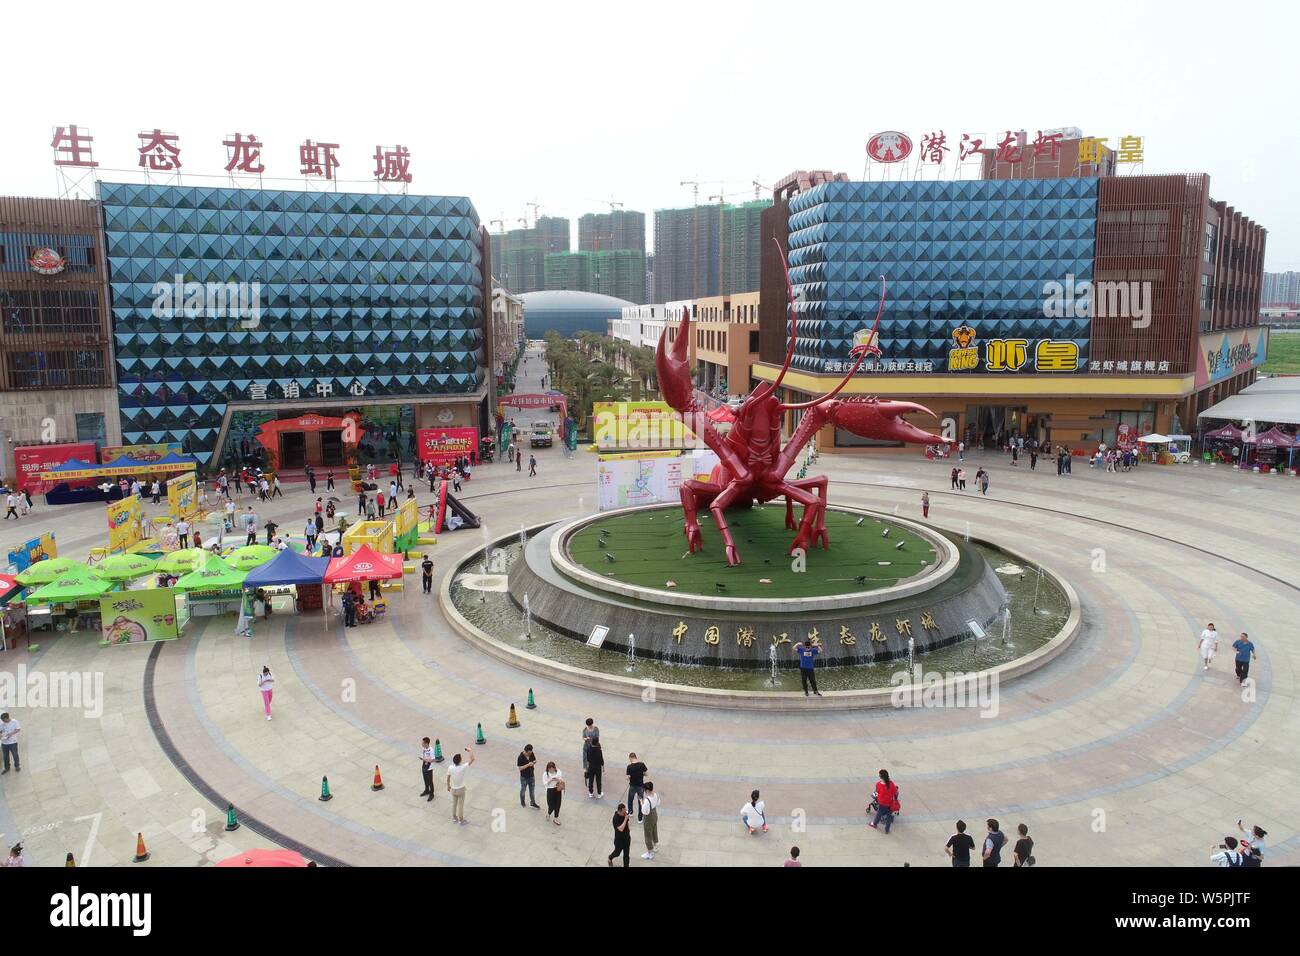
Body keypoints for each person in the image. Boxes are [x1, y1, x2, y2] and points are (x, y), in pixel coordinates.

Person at [446, 748, 475, 825]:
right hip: (461, 789)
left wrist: (448, 786)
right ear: (460, 761)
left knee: (454, 804)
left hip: (453, 789)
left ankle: (454, 818)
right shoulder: (463, 767)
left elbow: (448, 778)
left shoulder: (450, 767)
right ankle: (461, 820)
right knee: (460, 805)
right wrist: (470, 750)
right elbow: (472, 759)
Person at [868, 768, 900, 833]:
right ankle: (887, 829)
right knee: (889, 816)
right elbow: (894, 792)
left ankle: (874, 824)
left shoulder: (879, 784)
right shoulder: (891, 783)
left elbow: (877, 792)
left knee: (879, 814)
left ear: (880, 777)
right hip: (890, 803)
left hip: (882, 803)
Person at [640, 782, 660, 859]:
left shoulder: (647, 800)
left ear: (647, 790)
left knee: (648, 835)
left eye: (645, 790)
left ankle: (650, 852)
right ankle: (655, 846)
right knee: (654, 830)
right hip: (654, 814)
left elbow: (644, 812)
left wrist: (641, 802)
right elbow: (658, 803)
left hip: (648, 818)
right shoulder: (656, 795)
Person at [517, 744, 540, 809]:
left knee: (532, 791)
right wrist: (528, 765)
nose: (530, 754)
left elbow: (535, 760)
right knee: (523, 790)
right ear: (526, 751)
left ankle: (533, 802)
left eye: (531, 752)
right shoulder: (520, 757)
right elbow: (520, 768)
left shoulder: (531, 753)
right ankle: (522, 801)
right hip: (524, 777)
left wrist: (533, 763)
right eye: (528, 753)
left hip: (531, 776)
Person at [626, 752, 648, 819]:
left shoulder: (629, 767)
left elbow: (628, 777)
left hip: (632, 786)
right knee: (640, 801)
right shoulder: (642, 765)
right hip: (640, 786)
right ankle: (640, 818)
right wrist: (641, 774)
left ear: (631, 758)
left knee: (630, 800)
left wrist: (630, 777)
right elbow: (646, 774)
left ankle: (630, 812)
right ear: (636, 757)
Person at [543, 761, 564, 826]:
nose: (551, 770)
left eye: (552, 769)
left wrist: (557, 779)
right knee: (551, 805)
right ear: (548, 769)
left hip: (557, 789)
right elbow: (545, 784)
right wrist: (551, 780)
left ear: (554, 768)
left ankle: (556, 818)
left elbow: (561, 780)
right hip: (550, 790)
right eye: (550, 769)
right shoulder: (545, 774)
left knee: (558, 804)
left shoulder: (559, 772)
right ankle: (549, 813)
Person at [419, 737, 436, 801]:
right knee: (425, 779)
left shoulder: (431, 750)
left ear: (426, 743)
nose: (421, 743)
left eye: (423, 742)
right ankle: (426, 790)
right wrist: (422, 758)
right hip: (424, 765)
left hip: (429, 768)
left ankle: (432, 793)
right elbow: (423, 755)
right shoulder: (423, 748)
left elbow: (433, 759)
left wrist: (425, 759)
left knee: (430, 781)